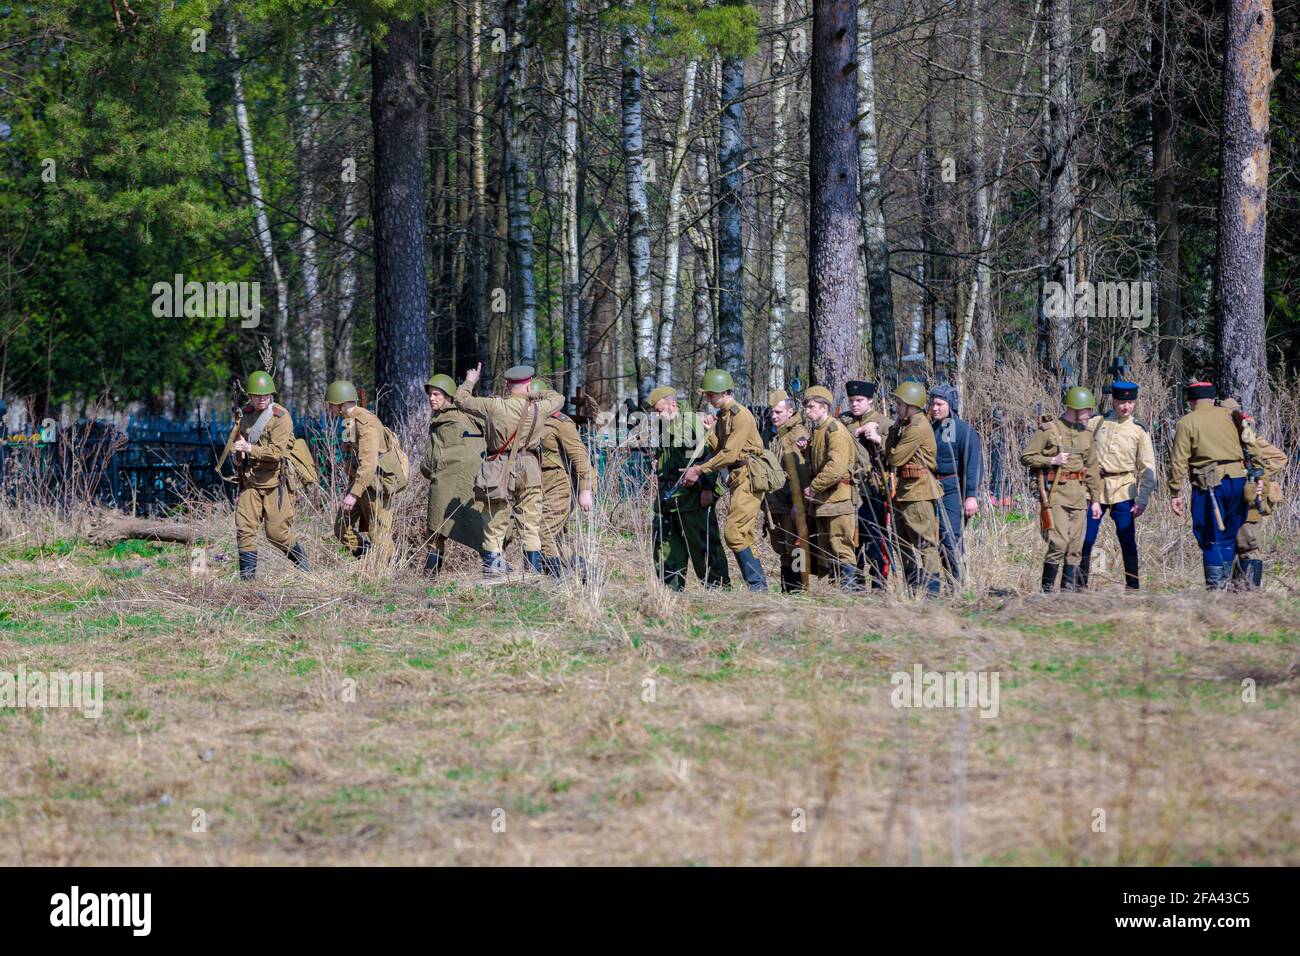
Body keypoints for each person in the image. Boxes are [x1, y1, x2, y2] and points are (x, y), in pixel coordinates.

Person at [453, 363, 566, 576]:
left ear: (506, 384)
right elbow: (559, 398)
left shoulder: (494, 406)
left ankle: (493, 573)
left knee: (494, 523)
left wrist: (470, 380)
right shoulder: (538, 407)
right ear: (529, 384)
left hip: (497, 467)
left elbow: (460, 400)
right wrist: (535, 393)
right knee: (530, 525)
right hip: (529, 467)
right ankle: (532, 574)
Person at [679, 369, 768, 591]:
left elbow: (729, 453)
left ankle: (757, 586)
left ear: (724, 392)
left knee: (734, 531)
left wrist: (699, 470)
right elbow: (717, 448)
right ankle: (758, 588)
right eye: (707, 394)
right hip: (736, 478)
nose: (708, 398)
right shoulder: (723, 416)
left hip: (749, 477)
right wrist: (710, 430)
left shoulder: (740, 415)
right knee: (743, 533)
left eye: (711, 394)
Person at [1168, 381, 1258, 590]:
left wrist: (1175, 491)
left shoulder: (1186, 422)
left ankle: (1215, 592)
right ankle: (1224, 588)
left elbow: (1178, 461)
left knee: (1209, 537)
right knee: (1228, 537)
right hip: (1238, 481)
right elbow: (1252, 444)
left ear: (1191, 401)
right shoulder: (1231, 416)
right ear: (1212, 399)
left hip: (1209, 484)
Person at [862, 381, 943, 594]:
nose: (896, 408)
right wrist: (896, 427)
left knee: (925, 543)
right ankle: (913, 586)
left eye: (899, 404)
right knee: (901, 542)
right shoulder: (906, 424)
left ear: (910, 405)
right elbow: (890, 455)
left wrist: (894, 431)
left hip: (919, 492)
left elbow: (895, 457)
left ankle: (932, 591)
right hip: (905, 491)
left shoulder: (918, 427)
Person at [648, 385, 731, 591]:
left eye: (659, 411)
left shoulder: (693, 422)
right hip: (668, 495)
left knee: (703, 544)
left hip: (693, 494)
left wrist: (708, 488)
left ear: (673, 405)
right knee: (666, 546)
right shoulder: (663, 426)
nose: (657, 416)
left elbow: (711, 455)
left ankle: (717, 588)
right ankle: (671, 589)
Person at [1020, 386, 1101, 592]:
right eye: (1087, 410)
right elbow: (1026, 457)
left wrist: (1096, 500)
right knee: (1058, 543)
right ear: (1074, 408)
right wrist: (1051, 460)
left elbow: (1092, 468)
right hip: (1056, 494)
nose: (1090, 414)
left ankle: (1067, 593)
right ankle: (1047, 592)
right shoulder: (1049, 430)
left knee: (1075, 546)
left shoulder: (1086, 435)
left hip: (1079, 496)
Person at [230, 370, 308, 579]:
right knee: (244, 529)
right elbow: (237, 444)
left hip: (276, 481)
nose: (262, 399)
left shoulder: (281, 417)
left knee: (276, 534)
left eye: (266, 395)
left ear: (271, 395)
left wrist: (249, 449)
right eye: (257, 395)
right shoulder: (244, 415)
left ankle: (304, 567)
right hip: (251, 480)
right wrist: (236, 456)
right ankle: (248, 584)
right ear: (251, 396)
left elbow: (276, 453)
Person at [1079, 381, 1156, 590]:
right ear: (1114, 401)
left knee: (1127, 540)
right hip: (1094, 489)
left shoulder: (1139, 430)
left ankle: (1133, 587)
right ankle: (1079, 587)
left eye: (1130, 402)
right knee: (1085, 539)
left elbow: (1147, 467)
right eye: (1122, 402)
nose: (1126, 407)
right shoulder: (1098, 422)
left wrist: (1142, 499)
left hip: (1123, 489)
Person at [326, 379, 405, 565]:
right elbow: (352, 449)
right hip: (360, 482)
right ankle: (367, 555)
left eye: (330, 404)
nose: (329, 408)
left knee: (379, 532)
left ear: (339, 404)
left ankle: (390, 571)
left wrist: (353, 494)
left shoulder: (365, 422)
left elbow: (369, 463)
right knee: (341, 528)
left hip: (375, 483)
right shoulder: (347, 420)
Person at [419, 373, 487, 577]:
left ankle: (494, 567)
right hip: (454, 482)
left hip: (459, 482)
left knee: (442, 528)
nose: (432, 398)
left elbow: (434, 459)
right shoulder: (452, 417)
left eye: (437, 394)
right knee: (436, 530)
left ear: (448, 396)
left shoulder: (459, 417)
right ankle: (430, 576)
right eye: (430, 395)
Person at [1218, 398, 1283, 590]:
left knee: (1247, 545)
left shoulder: (1249, 436)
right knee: (1230, 544)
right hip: (1231, 497)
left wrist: (1260, 473)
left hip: (1250, 500)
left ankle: (1247, 592)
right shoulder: (1222, 438)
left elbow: (1279, 457)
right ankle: (1231, 589)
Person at [534, 379, 595, 578]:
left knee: (545, 532)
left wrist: (585, 490)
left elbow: (579, 455)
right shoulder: (530, 421)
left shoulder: (560, 422)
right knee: (553, 537)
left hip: (561, 484)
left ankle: (555, 578)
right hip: (540, 484)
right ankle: (587, 571)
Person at [802, 386, 860, 590]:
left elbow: (836, 468)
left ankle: (848, 593)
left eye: (811, 407)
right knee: (827, 549)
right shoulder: (819, 431)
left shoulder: (835, 430)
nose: (807, 411)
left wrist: (813, 487)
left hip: (838, 499)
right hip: (825, 501)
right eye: (806, 407)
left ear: (824, 407)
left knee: (841, 546)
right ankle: (835, 592)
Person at [927, 383, 983, 587]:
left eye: (940, 404)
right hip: (931, 488)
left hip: (954, 489)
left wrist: (971, 495)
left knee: (950, 537)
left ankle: (958, 586)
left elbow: (973, 464)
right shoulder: (929, 429)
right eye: (932, 404)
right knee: (935, 539)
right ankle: (939, 584)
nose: (935, 408)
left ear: (950, 405)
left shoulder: (963, 431)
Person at [840, 380, 892, 588]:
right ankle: (857, 582)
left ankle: (880, 582)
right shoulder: (844, 422)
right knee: (853, 537)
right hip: (848, 489)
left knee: (875, 536)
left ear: (870, 400)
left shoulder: (884, 423)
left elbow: (895, 455)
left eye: (859, 400)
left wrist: (879, 439)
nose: (854, 404)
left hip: (873, 490)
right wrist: (858, 433)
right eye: (851, 400)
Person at [766, 389, 812, 592]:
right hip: (776, 502)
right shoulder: (776, 435)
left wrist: (798, 504)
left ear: (791, 412)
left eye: (778, 412)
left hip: (790, 503)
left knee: (796, 547)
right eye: (772, 412)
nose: (774, 416)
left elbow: (801, 474)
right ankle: (787, 589)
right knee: (783, 548)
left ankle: (798, 589)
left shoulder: (797, 434)